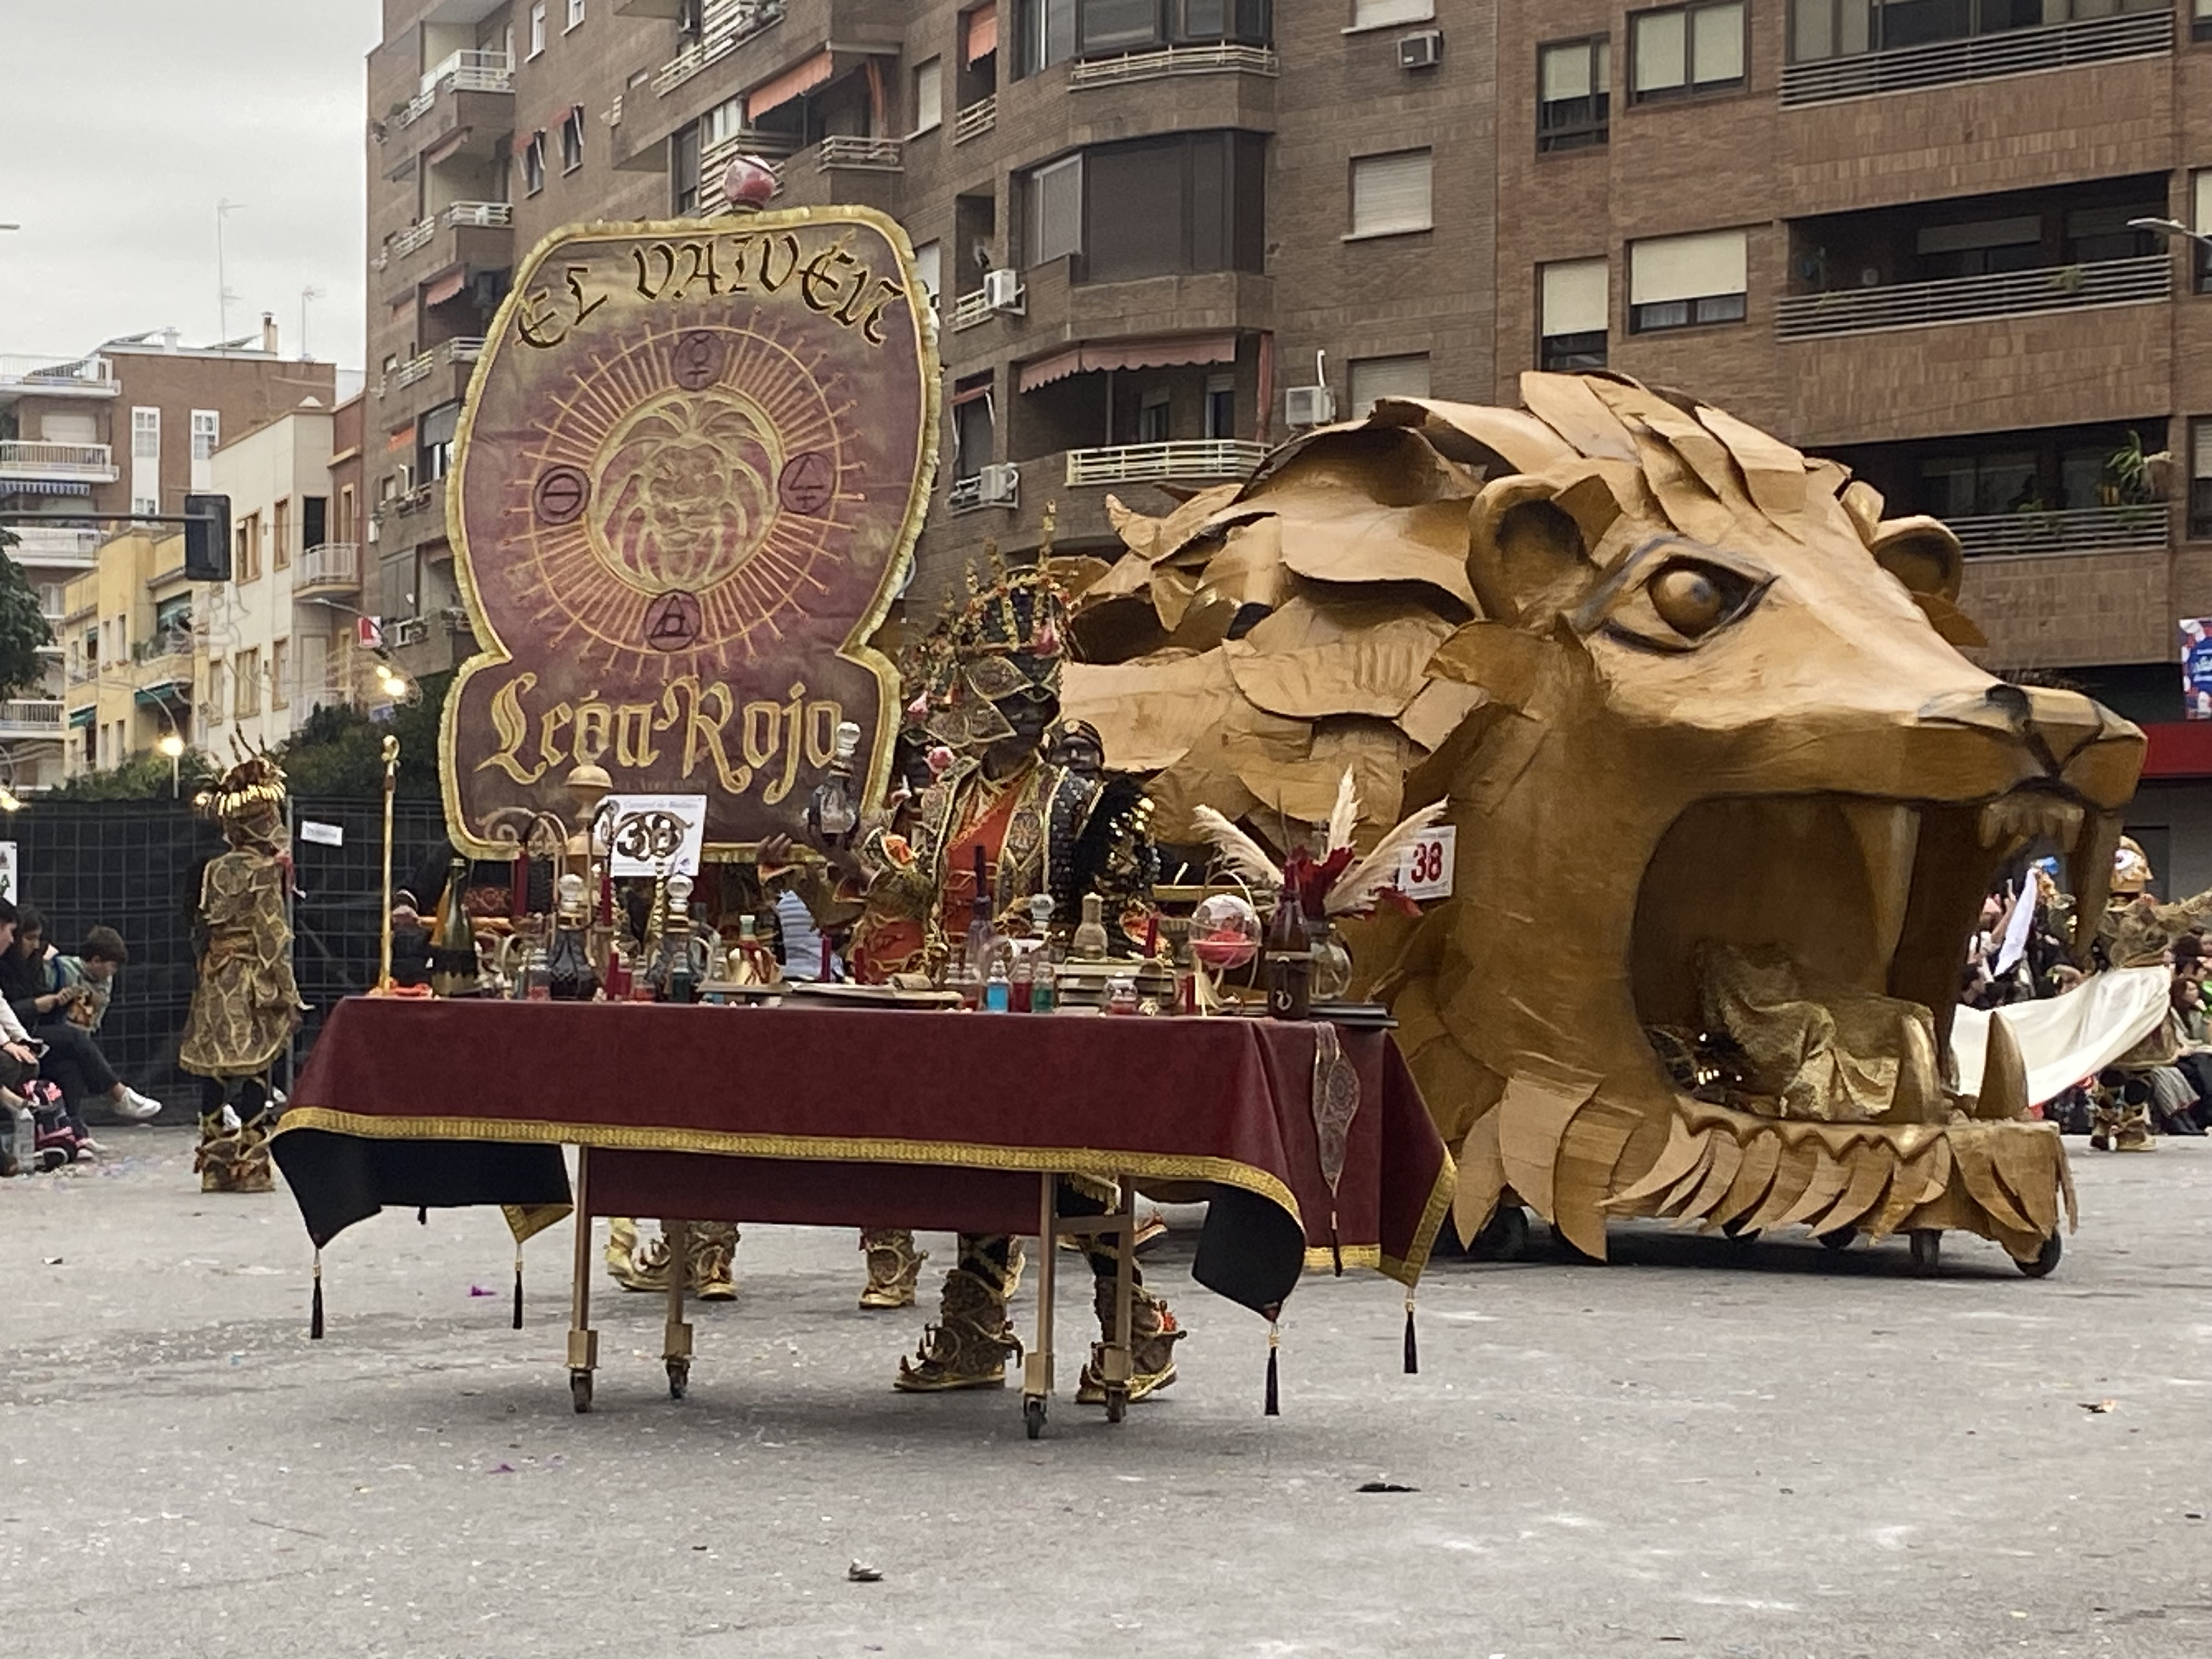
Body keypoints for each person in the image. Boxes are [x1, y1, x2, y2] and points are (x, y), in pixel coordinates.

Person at [783, 550, 1178, 1402]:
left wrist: (1083, 984)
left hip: (1045, 1009)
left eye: (975, 687)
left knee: (1065, 1168)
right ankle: (973, 1324)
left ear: (1026, 697)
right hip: (953, 1002)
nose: (956, 706)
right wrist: (850, 859)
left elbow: (1124, 920)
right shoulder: (954, 792)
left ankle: (1134, 1327)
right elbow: (919, 889)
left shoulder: (1085, 801)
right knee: (971, 1159)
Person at [179, 754, 307, 1193]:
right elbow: (273, 938)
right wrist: (288, 996)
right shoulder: (264, 872)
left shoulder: (214, 870)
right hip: (253, 979)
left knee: (215, 1070)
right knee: (256, 1067)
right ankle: (251, 1162)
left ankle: (214, 1161)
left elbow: (201, 922)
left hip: (215, 978)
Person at [0, 911, 160, 1152]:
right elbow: (8, 1008)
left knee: (69, 1064)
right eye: (27, 938)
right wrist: (35, 1008)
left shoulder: (34, 963)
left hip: (28, 1033)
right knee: (73, 1039)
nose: (33, 945)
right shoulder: (9, 967)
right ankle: (118, 1094)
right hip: (22, 1031)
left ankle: (74, 1133)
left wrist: (56, 1002)